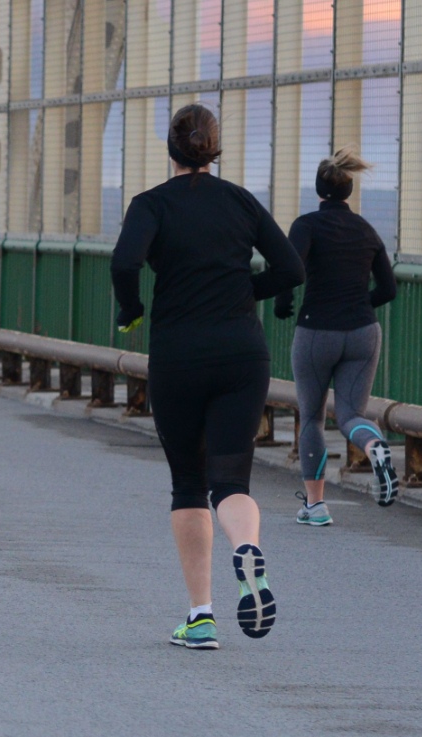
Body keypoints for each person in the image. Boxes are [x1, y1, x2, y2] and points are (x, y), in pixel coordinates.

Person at [111, 104, 304, 650]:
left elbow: (125, 264)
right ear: (214, 149)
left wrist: (131, 309)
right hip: (243, 355)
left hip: (178, 356)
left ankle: (201, 616)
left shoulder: (151, 205)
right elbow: (292, 268)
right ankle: (247, 545)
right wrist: (245, 292)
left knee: (189, 483)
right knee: (232, 480)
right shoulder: (240, 201)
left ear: (170, 149)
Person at [279, 149, 401, 527]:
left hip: (317, 331)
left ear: (318, 189)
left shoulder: (306, 225)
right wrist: (358, 303)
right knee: (351, 414)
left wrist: (283, 304)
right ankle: (374, 445)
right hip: (364, 332)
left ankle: (315, 506)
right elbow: (389, 288)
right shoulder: (366, 229)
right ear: (348, 190)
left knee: (313, 417)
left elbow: (291, 270)